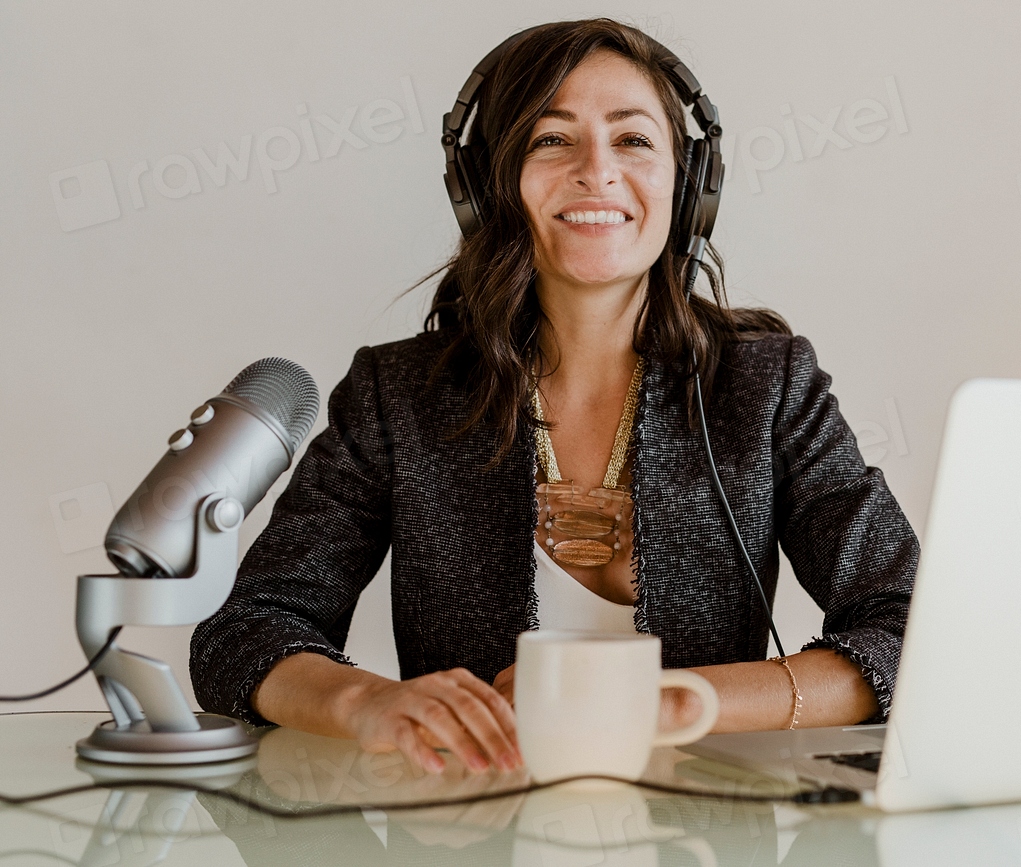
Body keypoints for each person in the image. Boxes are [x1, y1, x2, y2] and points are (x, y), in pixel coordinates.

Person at [190, 18, 919, 777]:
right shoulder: (397, 395)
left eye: (633, 140)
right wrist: (364, 702)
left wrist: (679, 701)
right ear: (487, 186)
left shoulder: (767, 386)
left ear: (691, 184)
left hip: (707, 834)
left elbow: (909, 630)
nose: (596, 170)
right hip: (469, 829)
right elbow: (244, 633)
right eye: (550, 140)